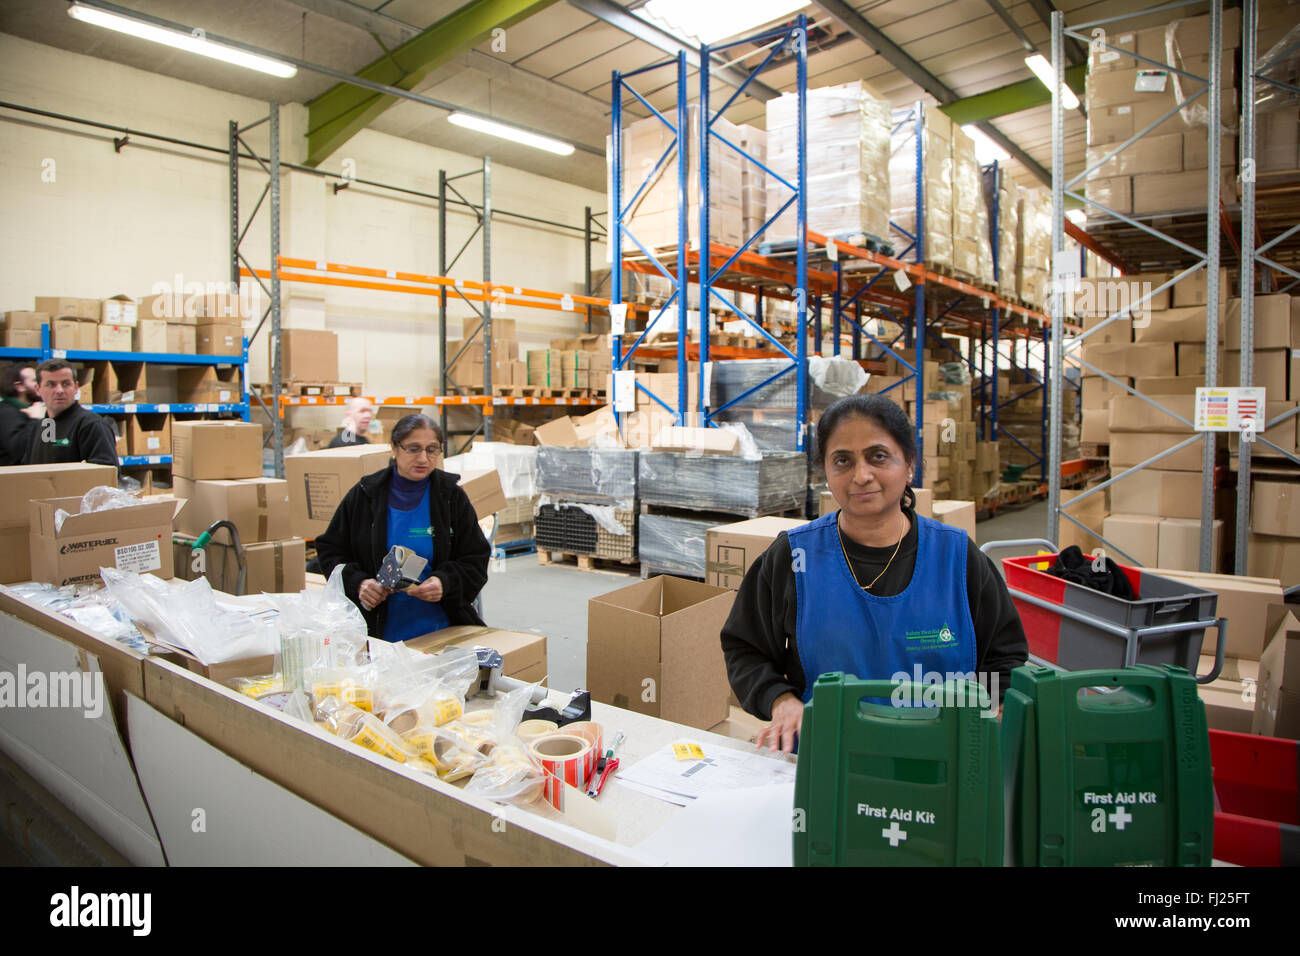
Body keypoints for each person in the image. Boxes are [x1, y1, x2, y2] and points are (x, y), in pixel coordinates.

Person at [720, 394, 1028, 754]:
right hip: (827, 761)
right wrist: (780, 699)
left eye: (878, 456)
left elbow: (1005, 657)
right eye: (842, 461)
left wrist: (994, 710)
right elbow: (745, 648)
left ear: (909, 464)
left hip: (942, 765)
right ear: (826, 473)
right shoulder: (792, 557)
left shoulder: (958, 558)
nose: (861, 475)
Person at [314, 413, 490, 641]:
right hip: (375, 632)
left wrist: (445, 583)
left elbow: (475, 558)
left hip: (442, 629)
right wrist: (359, 583)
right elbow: (330, 550)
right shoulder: (366, 495)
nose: (423, 459)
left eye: (432, 449)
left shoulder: (451, 497)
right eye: (413, 449)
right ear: (395, 448)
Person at [24, 359, 118, 470]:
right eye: (51, 384)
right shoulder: (39, 427)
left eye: (66, 384)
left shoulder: (91, 425)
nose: (59, 390)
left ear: (76, 387)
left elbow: (107, 475)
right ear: (38, 389)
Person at [0, 363, 44, 465]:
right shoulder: (6, 413)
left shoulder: (27, 409)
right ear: (19, 386)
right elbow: (19, 450)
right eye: (34, 381)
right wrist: (36, 420)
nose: (40, 385)